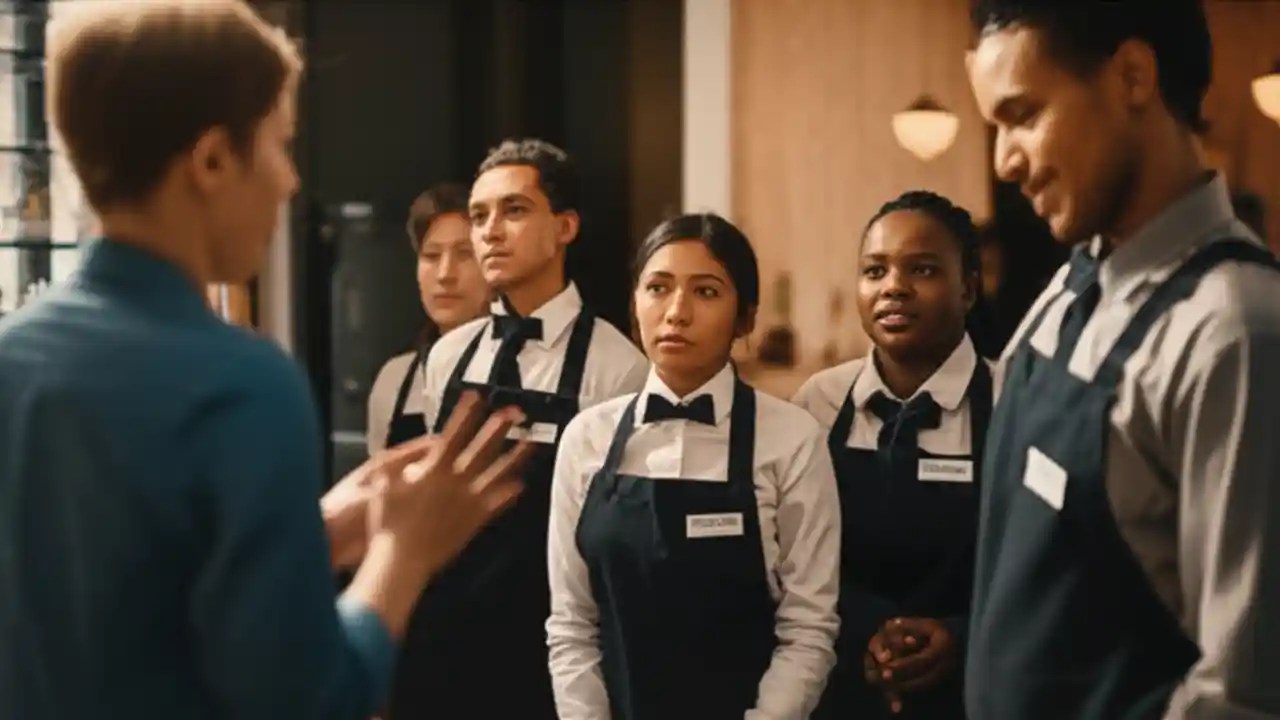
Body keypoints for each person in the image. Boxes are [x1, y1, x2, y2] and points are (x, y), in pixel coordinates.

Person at [0, 3, 532, 718]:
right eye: (280, 145)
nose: (288, 181)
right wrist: (405, 552)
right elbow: (312, 700)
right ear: (214, 160)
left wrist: (309, 539)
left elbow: (118, 610)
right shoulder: (244, 386)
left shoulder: (14, 358)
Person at [965, 1, 1280, 717]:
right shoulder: (1072, 285)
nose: (1004, 161)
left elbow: (1242, 695)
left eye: (1024, 115)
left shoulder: (1236, 333)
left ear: (1133, 76)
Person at [390, 138, 649, 719]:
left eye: (514, 211)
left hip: (546, 647)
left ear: (565, 226)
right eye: (480, 216)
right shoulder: (448, 356)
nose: (490, 232)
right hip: (446, 636)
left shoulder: (618, 365)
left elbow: (613, 540)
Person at [547, 213, 842, 719]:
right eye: (658, 288)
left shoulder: (792, 439)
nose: (676, 312)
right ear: (634, 304)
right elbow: (573, 621)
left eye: (705, 292)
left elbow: (808, 627)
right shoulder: (586, 438)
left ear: (745, 318)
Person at [793, 191, 996, 719]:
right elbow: (791, 558)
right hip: (843, 687)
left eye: (922, 270)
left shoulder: (1015, 400)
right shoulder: (818, 402)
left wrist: (962, 636)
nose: (893, 288)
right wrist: (867, 631)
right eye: (874, 270)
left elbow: (1049, 564)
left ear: (969, 287)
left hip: (977, 688)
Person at [366, 182, 489, 455]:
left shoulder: (525, 370)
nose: (445, 274)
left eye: (465, 254)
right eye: (431, 256)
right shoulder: (395, 380)